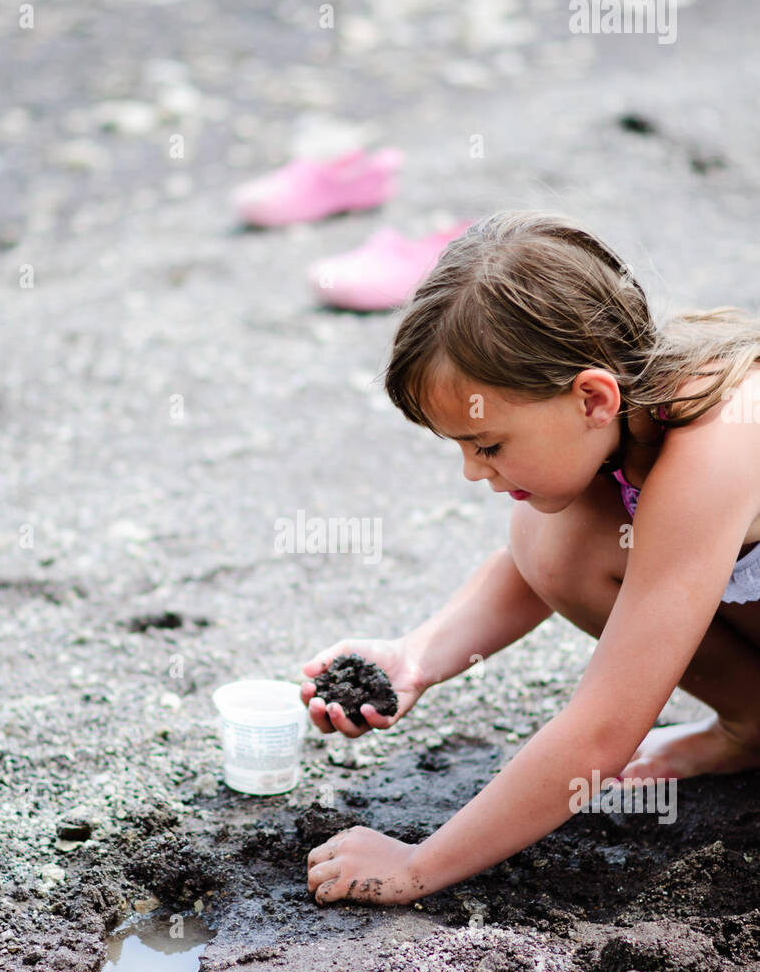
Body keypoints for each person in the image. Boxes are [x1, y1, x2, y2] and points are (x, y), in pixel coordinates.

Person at [301, 211, 760, 906]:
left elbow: (604, 729)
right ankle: (750, 726)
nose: (471, 472)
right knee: (552, 534)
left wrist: (420, 865)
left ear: (591, 396)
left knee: (566, 535)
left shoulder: (718, 442)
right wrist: (416, 656)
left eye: (486, 444)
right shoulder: (626, 415)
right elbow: (535, 566)